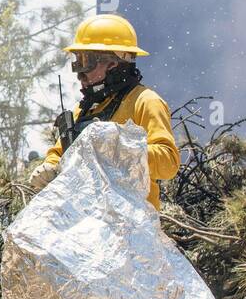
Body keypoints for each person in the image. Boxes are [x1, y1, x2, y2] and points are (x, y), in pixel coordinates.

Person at [29, 13, 178, 209]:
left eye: (86, 61)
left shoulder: (145, 102)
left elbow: (168, 163)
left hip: (133, 227)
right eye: (77, 61)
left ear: (114, 63)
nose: (80, 73)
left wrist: (120, 150)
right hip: (87, 224)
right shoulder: (81, 111)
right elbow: (58, 154)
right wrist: (49, 167)